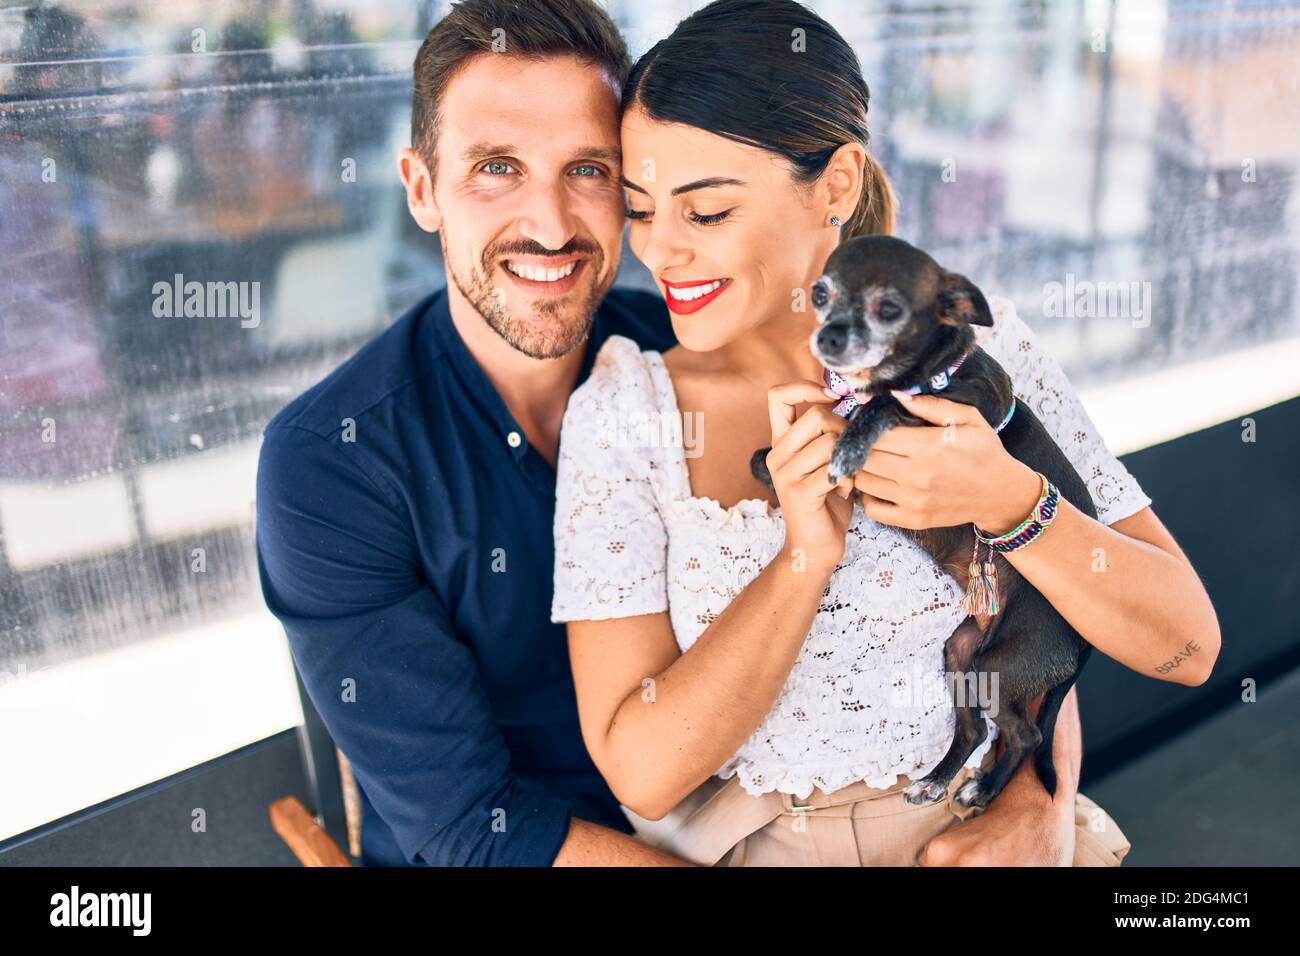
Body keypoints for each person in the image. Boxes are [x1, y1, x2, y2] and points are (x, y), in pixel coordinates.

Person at [551, 0, 1221, 866]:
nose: (661, 252)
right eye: (640, 209)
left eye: (706, 212)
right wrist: (802, 559)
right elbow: (642, 773)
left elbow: (1188, 645)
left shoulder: (978, 348)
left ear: (835, 184)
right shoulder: (623, 415)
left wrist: (1014, 504)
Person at [256, 0, 698, 866]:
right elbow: (475, 830)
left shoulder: (688, 353)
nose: (550, 224)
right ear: (421, 189)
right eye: (497, 167)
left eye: (588, 169)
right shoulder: (330, 462)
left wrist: (1038, 790)